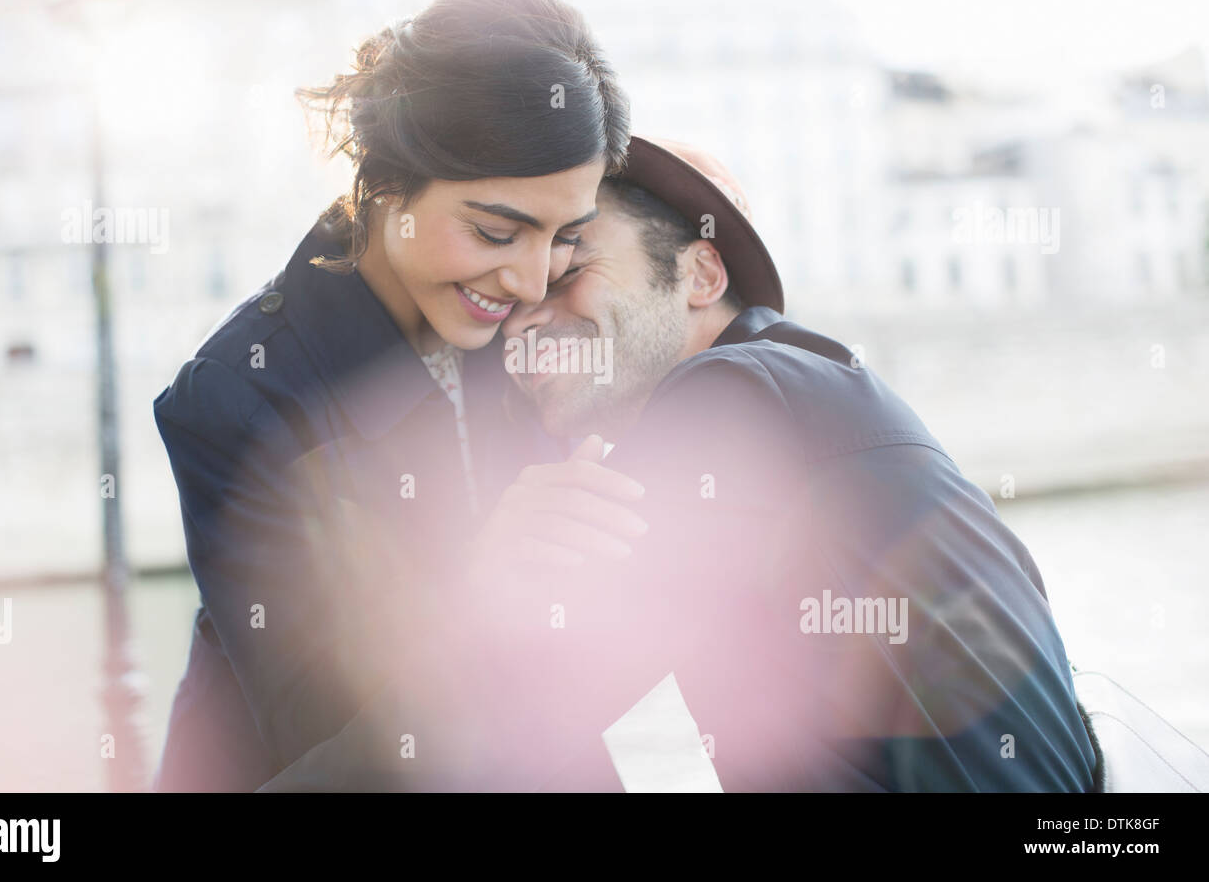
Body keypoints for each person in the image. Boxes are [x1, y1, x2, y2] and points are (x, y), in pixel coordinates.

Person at [258, 135, 1102, 792]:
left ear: (700, 273)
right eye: (513, 300)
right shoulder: (807, 384)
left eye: (572, 267)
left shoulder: (731, 397)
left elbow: (514, 712)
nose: (521, 322)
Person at [150, 0, 636, 791]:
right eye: (494, 230)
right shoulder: (238, 399)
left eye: (566, 237)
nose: (527, 278)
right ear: (385, 180)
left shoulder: (531, 321)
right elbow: (328, 736)